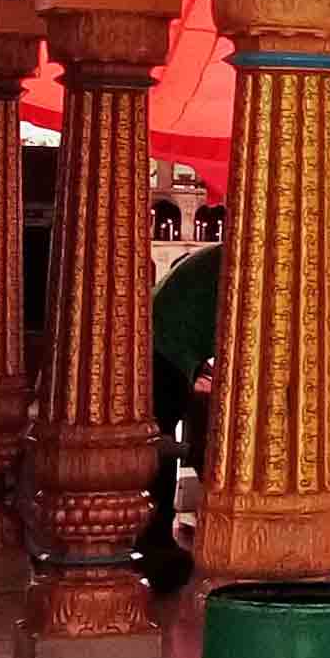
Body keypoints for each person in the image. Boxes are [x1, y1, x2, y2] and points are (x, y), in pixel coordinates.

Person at [142, 242, 222, 595]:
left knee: (155, 445)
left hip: (156, 344)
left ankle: (152, 540)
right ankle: (155, 546)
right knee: (157, 450)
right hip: (165, 352)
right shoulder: (241, 263)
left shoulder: (215, 256)